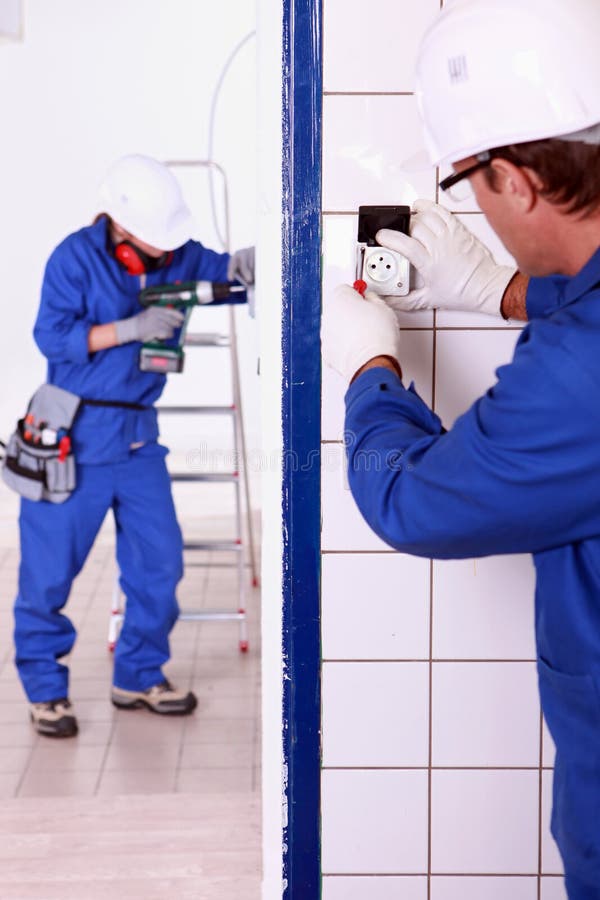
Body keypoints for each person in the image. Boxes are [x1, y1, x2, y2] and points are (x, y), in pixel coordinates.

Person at [321, 0, 600, 897]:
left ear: (515, 180)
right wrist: (504, 290)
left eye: (469, 184)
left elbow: (418, 500)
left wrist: (369, 363)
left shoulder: (578, 374)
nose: (477, 204)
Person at [16, 153, 255, 739]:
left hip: (138, 437)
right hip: (69, 432)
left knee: (159, 564)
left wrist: (262, 262)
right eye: (150, 241)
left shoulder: (176, 254)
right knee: (48, 577)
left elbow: (223, 274)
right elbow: (51, 336)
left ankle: (138, 675)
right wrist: (128, 329)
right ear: (120, 228)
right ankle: (46, 691)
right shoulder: (73, 258)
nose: (161, 253)